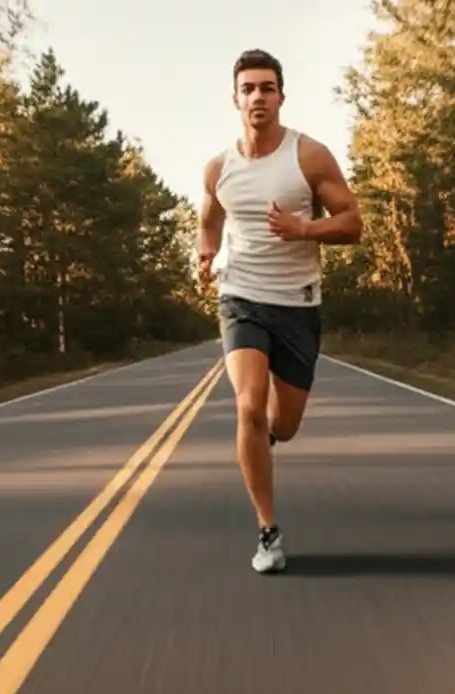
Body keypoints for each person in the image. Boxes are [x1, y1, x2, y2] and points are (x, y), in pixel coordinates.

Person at [196, 48, 364, 573]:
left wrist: (304, 229)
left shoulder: (308, 156)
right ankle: (268, 532)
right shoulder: (219, 169)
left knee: (282, 425)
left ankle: (263, 439)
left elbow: (353, 223)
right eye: (248, 89)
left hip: (297, 305)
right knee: (248, 405)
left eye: (267, 88)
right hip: (241, 298)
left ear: (281, 96)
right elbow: (209, 226)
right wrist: (203, 256)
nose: (258, 97)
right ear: (235, 99)